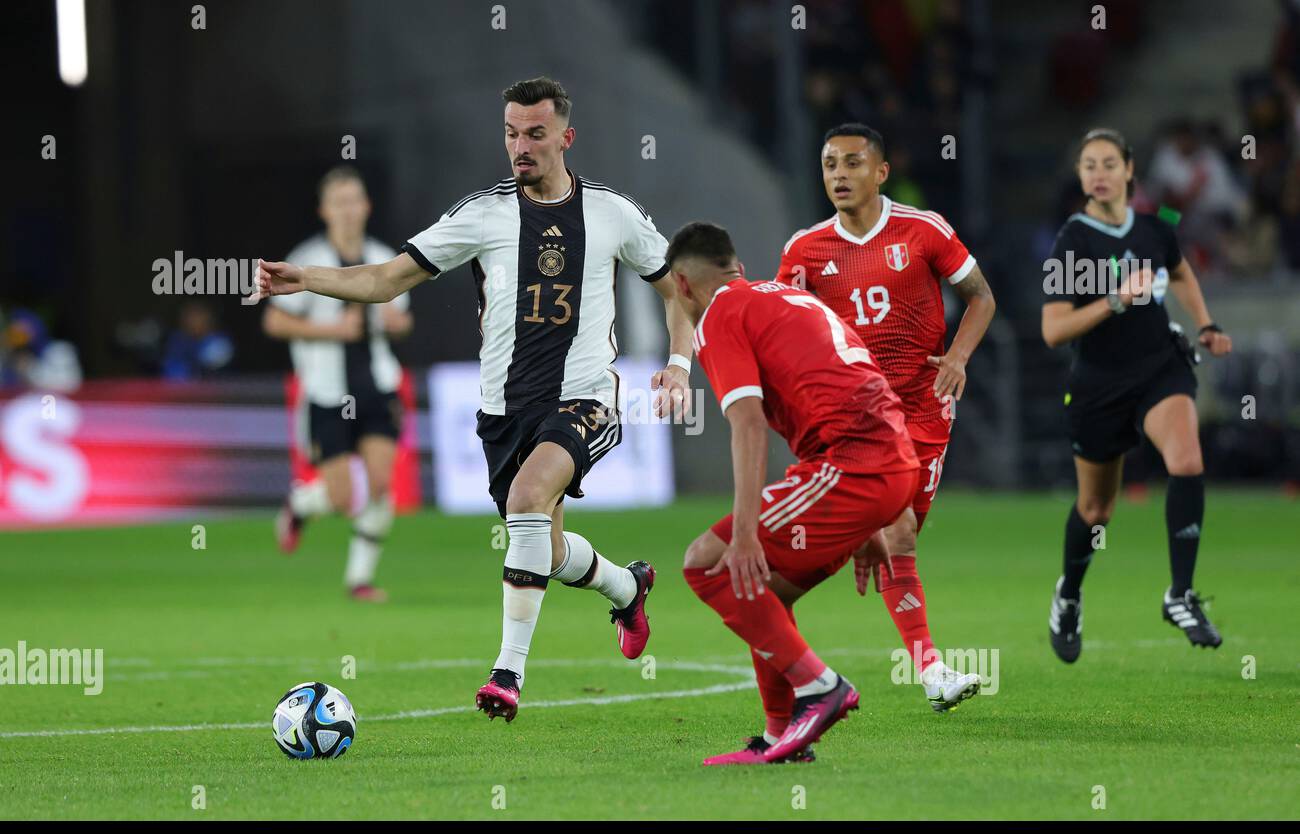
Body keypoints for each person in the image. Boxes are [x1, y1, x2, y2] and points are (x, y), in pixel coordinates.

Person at [254, 77, 695, 722]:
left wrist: (679, 365)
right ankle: (627, 587)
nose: (521, 146)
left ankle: (506, 675)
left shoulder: (612, 212)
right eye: (512, 134)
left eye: (536, 134)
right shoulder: (482, 215)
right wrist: (308, 279)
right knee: (541, 547)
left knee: (525, 498)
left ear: (566, 138)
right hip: (503, 413)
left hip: (586, 399)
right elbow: (385, 280)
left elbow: (680, 288)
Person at [672, 221, 919, 766]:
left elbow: (749, 425)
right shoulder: (784, 296)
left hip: (856, 464)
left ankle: (820, 687)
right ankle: (780, 737)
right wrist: (868, 525)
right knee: (767, 590)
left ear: (683, 286)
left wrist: (742, 535)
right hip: (887, 464)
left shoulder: (719, 317)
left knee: (707, 564)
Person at [776, 123, 994, 713]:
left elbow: (982, 296)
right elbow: (784, 328)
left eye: (851, 164)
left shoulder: (922, 230)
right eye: (828, 166)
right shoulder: (804, 250)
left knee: (898, 537)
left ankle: (805, 626)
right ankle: (931, 672)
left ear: (880, 171)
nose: (839, 176)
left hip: (924, 407)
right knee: (894, 536)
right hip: (857, 414)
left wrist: (958, 357)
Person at [1041, 127, 1233, 662]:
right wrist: (1113, 302)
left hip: (1157, 369)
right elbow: (1054, 330)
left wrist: (1206, 323)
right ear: (1081, 177)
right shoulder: (1072, 241)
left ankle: (1180, 594)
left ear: (1129, 171)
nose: (1098, 173)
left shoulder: (1153, 228)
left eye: (1108, 163)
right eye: (1088, 165)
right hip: (1099, 386)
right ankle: (1070, 595)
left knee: (1187, 460)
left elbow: (1180, 271)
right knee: (1096, 509)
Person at [264, 166, 412, 603]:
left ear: (366, 206)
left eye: (355, 200)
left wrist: (393, 321)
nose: (348, 210)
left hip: (377, 386)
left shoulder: (386, 257)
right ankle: (300, 505)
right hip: (327, 392)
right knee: (342, 496)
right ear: (324, 211)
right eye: (339, 202)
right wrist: (332, 332)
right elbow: (273, 319)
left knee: (383, 485)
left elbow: (404, 320)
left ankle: (359, 580)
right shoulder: (307, 260)